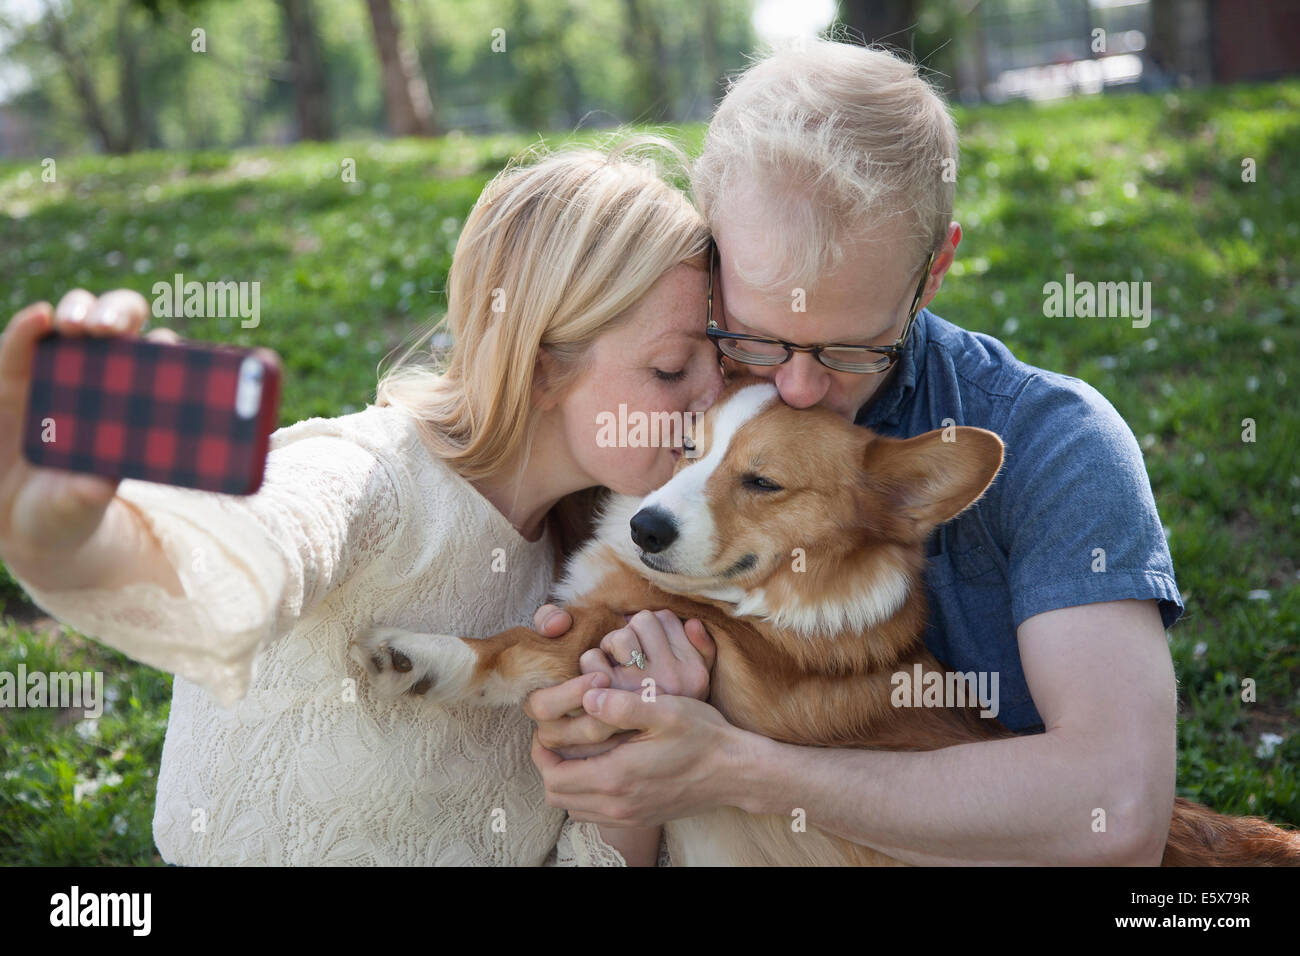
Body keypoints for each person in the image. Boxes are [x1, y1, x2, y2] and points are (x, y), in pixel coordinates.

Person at [525, 39, 1187, 865]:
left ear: (933, 270)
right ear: (709, 249)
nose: (799, 388)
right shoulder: (641, 390)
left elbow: (1116, 813)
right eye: (759, 338)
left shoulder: (1056, 442)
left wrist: (743, 770)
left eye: (849, 349)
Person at [0, 137, 720, 866]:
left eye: (717, 362)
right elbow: (241, 564)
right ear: (540, 372)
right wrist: (63, 543)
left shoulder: (600, 574)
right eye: (670, 368)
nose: (713, 398)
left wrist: (637, 767)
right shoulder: (368, 477)